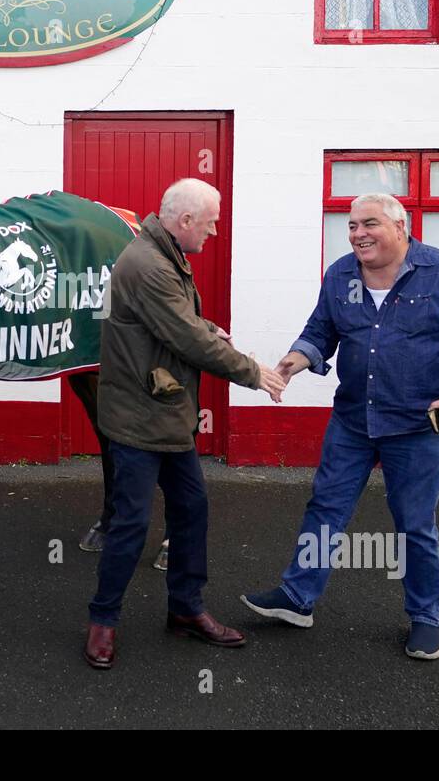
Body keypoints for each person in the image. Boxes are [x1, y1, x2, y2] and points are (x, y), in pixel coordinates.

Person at [241, 193, 439, 660]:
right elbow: (322, 330)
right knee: (325, 507)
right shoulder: (341, 274)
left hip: (419, 427)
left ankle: (425, 618)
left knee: (415, 524)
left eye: (369, 224)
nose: (357, 233)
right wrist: (295, 360)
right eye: (351, 225)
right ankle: (298, 598)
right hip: (353, 420)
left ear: (400, 228)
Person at [84, 178, 287, 670]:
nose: (215, 231)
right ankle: (102, 621)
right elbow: (186, 338)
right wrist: (250, 370)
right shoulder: (150, 264)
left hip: (164, 414)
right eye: (212, 222)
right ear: (186, 221)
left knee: (191, 511)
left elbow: (177, 325)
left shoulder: (162, 253)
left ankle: (186, 610)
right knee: (131, 525)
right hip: (139, 419)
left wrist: (204, 327)